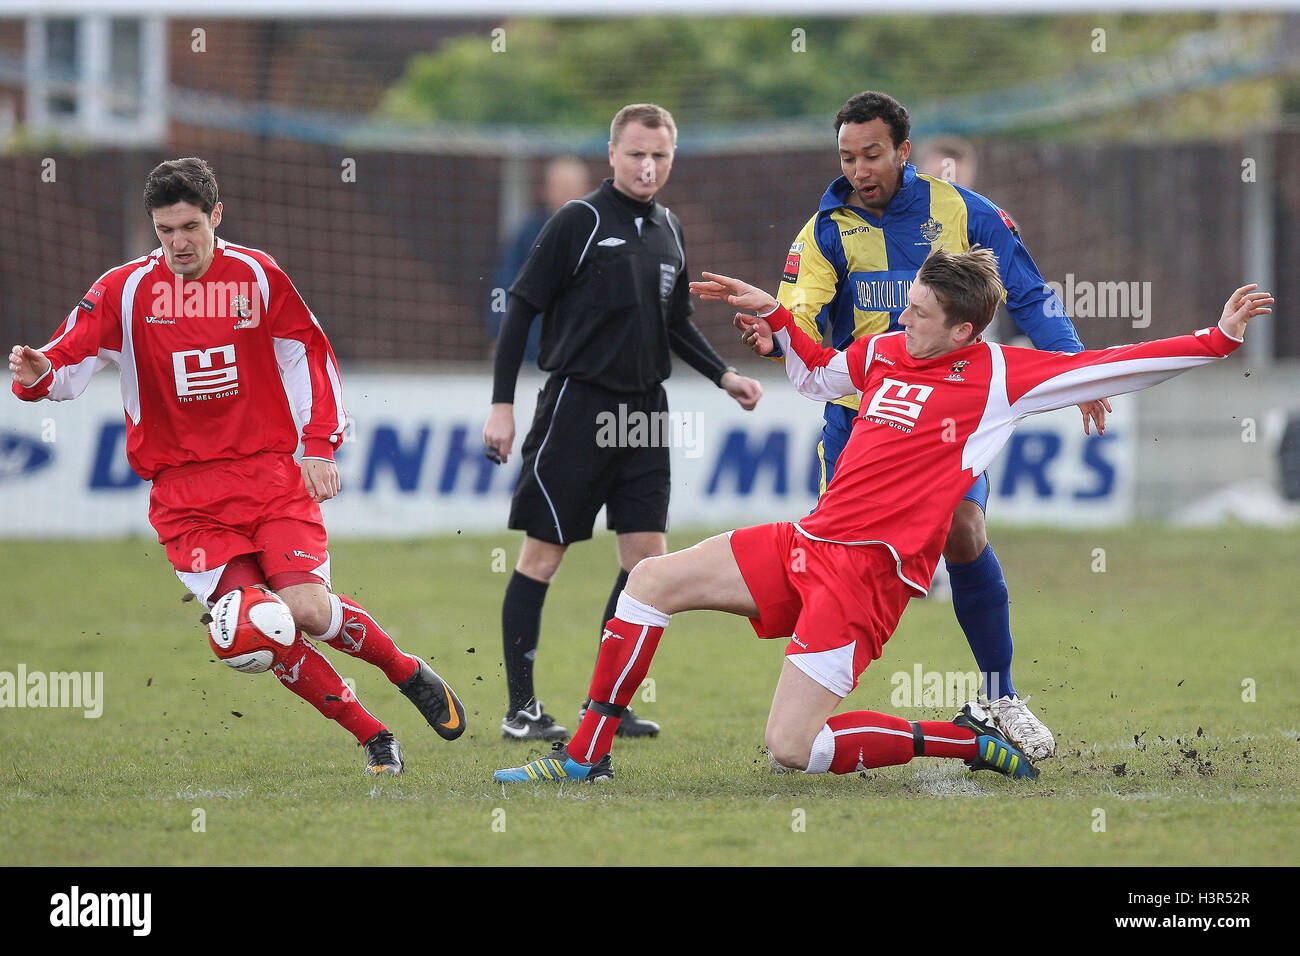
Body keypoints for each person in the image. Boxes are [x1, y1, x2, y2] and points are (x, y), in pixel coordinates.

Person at [494, 247, 1271, 784]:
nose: (907, 322)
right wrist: (776, 320)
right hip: (808, 539)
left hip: (867, 578)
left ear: (964, 330)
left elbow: (1112, 367)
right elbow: (821, 376)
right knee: (651, 580)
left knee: (790, 750)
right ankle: (586, 756)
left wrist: (1217, 337)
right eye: (907, 307)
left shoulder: (1000, 376)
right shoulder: (889, 350)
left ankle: (964, 740)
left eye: (923, 314)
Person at [9, 157, 465, 775]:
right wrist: (38, 377)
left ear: (216, 216)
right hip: (186, 501)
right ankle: (371, 735)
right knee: (256, 626)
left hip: (270, 478)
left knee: (304, 608)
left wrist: (320, 445)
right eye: (164, 230)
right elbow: (66, 363)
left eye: (190, 226)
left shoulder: (257, 275)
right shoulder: (123, 291)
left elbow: (309, 354)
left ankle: (406, 671)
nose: (177, 243)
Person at [756, 91, 1109, 760]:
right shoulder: (826, 228)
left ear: (903, 152)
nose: (860, 169)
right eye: (847, 156)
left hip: (947, 418)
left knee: (964, 531)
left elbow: (1030, 293)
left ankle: (999, 700)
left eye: (872, 155)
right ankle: (802, 721)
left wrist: (1076, 370)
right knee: (838, 568)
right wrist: (776, 333)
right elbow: (798, 309)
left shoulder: (963, 213)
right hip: (859, 427)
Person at [482, 104, 764, 742]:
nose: (647, 166)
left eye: (659, 156)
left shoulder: (670, 227)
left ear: (671, 159)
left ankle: (603, 704)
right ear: (611, 155)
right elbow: (521, 307)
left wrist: (725, 376)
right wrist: (502, 403)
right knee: (542, 556)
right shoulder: (577, 221)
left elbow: (675, 323)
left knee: (648, 563)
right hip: (577, 408)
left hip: (644, 415)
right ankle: (521, 709)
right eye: (635, 153)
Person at [485, 157, 592, 363]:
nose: (565, 192)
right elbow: (502, 285)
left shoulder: (603, 234)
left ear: (586, 189)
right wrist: (500, 333)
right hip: (531, 351)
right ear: (546, 190)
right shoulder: (526, 234)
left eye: (571, 186)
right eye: (559, 186)